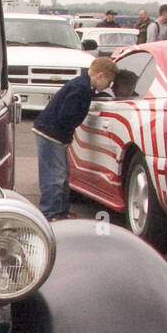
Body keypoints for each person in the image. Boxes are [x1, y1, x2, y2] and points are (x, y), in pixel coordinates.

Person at [32, 57, 118, 221]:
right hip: (52, 133)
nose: (108, 86)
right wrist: (66, 138)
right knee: (54, 175)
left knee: (62, 174)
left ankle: (61, 211)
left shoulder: (82, 85)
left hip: (52, 132)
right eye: (108, 82)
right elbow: (67, 116)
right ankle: (50, 212)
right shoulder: (81, 88)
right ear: (100, 76)